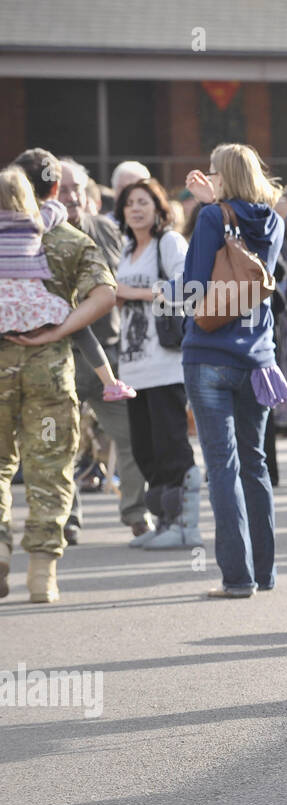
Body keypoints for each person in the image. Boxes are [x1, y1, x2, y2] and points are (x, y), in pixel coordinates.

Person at [0, 156, 117, 602]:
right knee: (50, 467)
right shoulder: (69, 239)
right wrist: (59, 328)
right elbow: (105, 294)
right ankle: (42, 574)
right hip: (49, 371)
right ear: (53, 192)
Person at [180, 143, 286, 598]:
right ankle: (265, 573)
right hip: (258, 357)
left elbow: (192, 286)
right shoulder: (275, 221)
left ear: (223, 175)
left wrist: (211, 212)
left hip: (209, 351)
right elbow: (254, 278)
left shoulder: (210, 218)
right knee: (255, 464)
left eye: (212, 171)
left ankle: (237, 579)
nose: (208, 177)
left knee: (221, 467)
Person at [58, 156, 150, 543]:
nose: (73, 195)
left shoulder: (105, 229)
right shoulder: (38, 237)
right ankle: (66, 519)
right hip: (59, 358)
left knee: (130, 438)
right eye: (63, 189)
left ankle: (135, 513)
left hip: (109, 356)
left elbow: (119, 285)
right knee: (59, 442)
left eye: (78, 187)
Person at [109, 178, 203, 550]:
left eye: (143, 202)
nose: (136, 208)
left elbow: (188, 286)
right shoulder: (126, 250)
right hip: (132, 366)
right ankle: (165, 521)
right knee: (145, 450)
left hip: (165, 363)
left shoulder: (169, 243)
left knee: (171, 446)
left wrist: (130, 293)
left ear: (158, 207)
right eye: (130, 202)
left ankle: (185, 525)